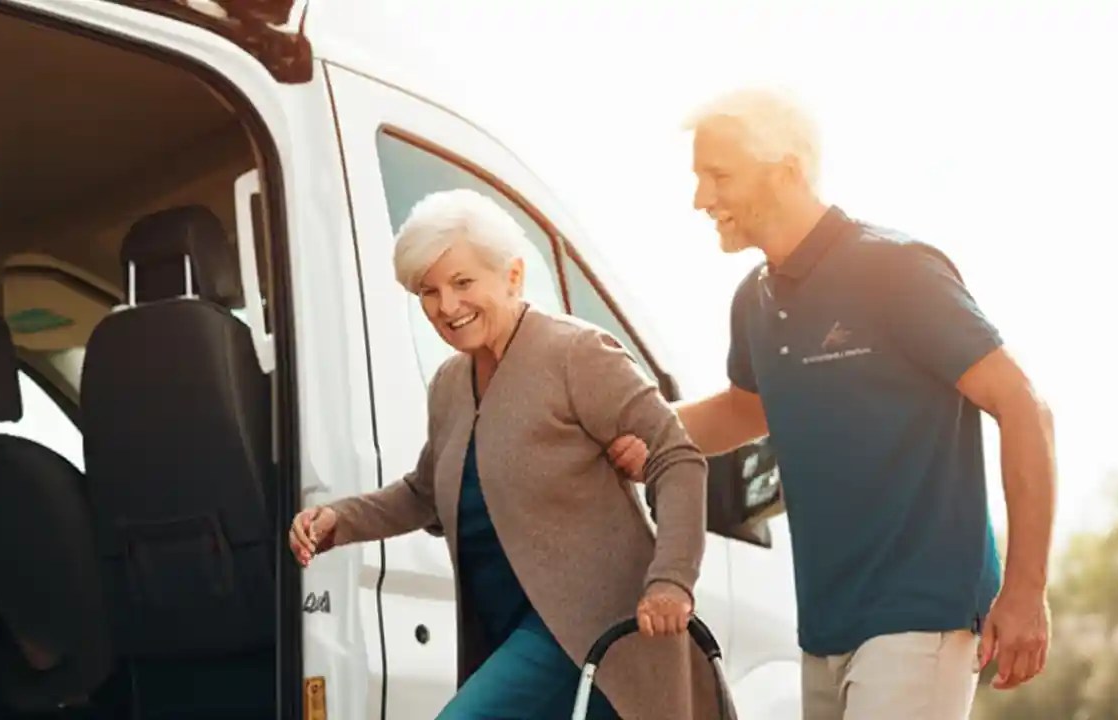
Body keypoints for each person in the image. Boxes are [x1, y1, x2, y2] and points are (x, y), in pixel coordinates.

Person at [610, 88, 1055, 720]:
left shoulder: (896, 270)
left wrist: (1026, 588)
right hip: (824, 622)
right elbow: (744, 409)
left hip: (919, 609)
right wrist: (637, 428)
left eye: (720, 176)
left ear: (785, 170)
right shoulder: (754, 300)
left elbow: (1024, 407)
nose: (701, 199)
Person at [288, 188, 718, 719]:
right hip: (502, 630)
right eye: (428, 291)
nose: (447, 306)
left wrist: (672, 579)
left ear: (512, 276)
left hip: (586, 630)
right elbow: (426, 493)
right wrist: (339, 520)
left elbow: (675, 455)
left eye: (463, 282)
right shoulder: (449, 383)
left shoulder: (575, 353)